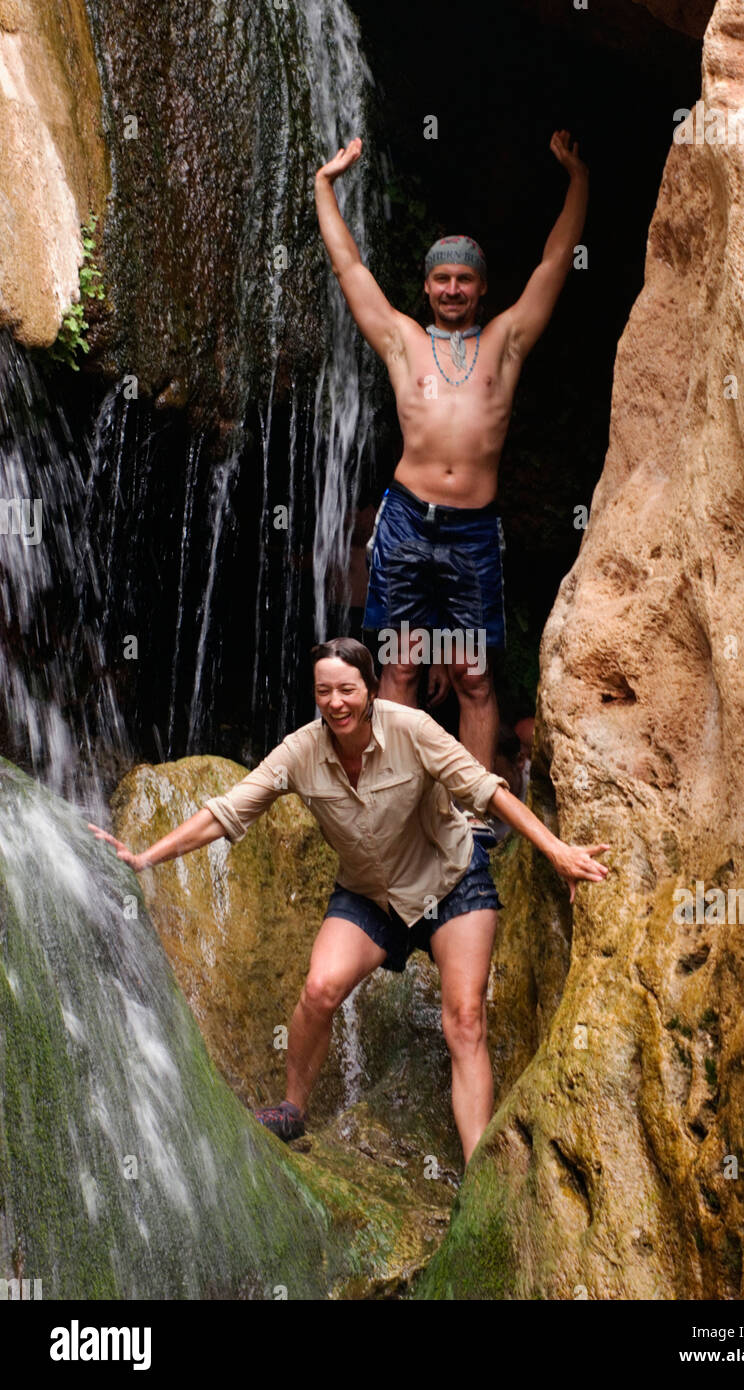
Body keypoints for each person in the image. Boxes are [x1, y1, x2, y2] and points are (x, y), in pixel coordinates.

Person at [87, 638, 610, 1168]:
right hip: (368, 894)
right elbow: (226, 811)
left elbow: (486, 789)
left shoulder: (412, 730)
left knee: (466, 1017)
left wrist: (557, 851)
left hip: (449, 883)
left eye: (346, 689)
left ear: (371, 689)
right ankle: (292, 1109)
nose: (335, 702)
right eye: (324, 692)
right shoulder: (301, 751)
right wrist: (145, 857)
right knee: (319, 989)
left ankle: (477, 1174)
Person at [314, 130, 589, 794]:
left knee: (472, 674)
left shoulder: (505, 342)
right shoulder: (403, 341)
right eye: (442, 279)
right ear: (427, 285)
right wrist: (325, 184)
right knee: (402, 666)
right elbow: (350, 268)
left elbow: (555, 262)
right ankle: (395, 798)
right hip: (408, 521)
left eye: (464, 279)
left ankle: (472, 809)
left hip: (470, 533)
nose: (452, 289)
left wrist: (578, 179)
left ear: (483, 288)